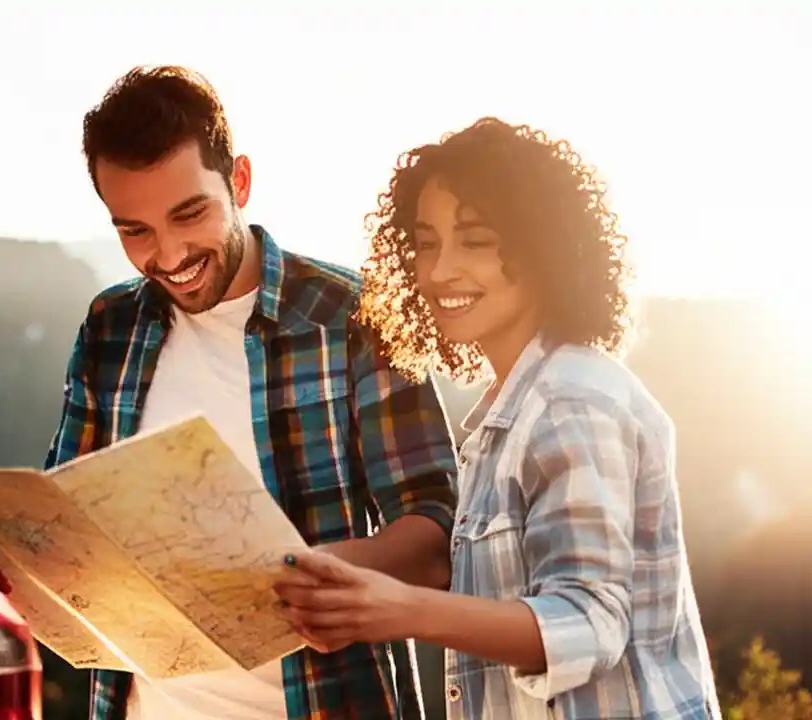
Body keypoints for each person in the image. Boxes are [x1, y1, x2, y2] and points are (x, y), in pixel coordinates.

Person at [44, 65, 460, 720]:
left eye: (190, 213)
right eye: (135, 231)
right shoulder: (109, 329)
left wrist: (308, 578)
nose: (170, 254)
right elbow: (62, 517)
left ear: (238, 181)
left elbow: (437, 536)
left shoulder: (353, 316)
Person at [273, 117, 722, 719]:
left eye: (475, 239)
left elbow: (589, 623)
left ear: (543, 249)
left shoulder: (570, 402)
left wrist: (400, 609)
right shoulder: (505, 416)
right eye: (427, 242)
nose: (438, 271)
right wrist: (342, 593)